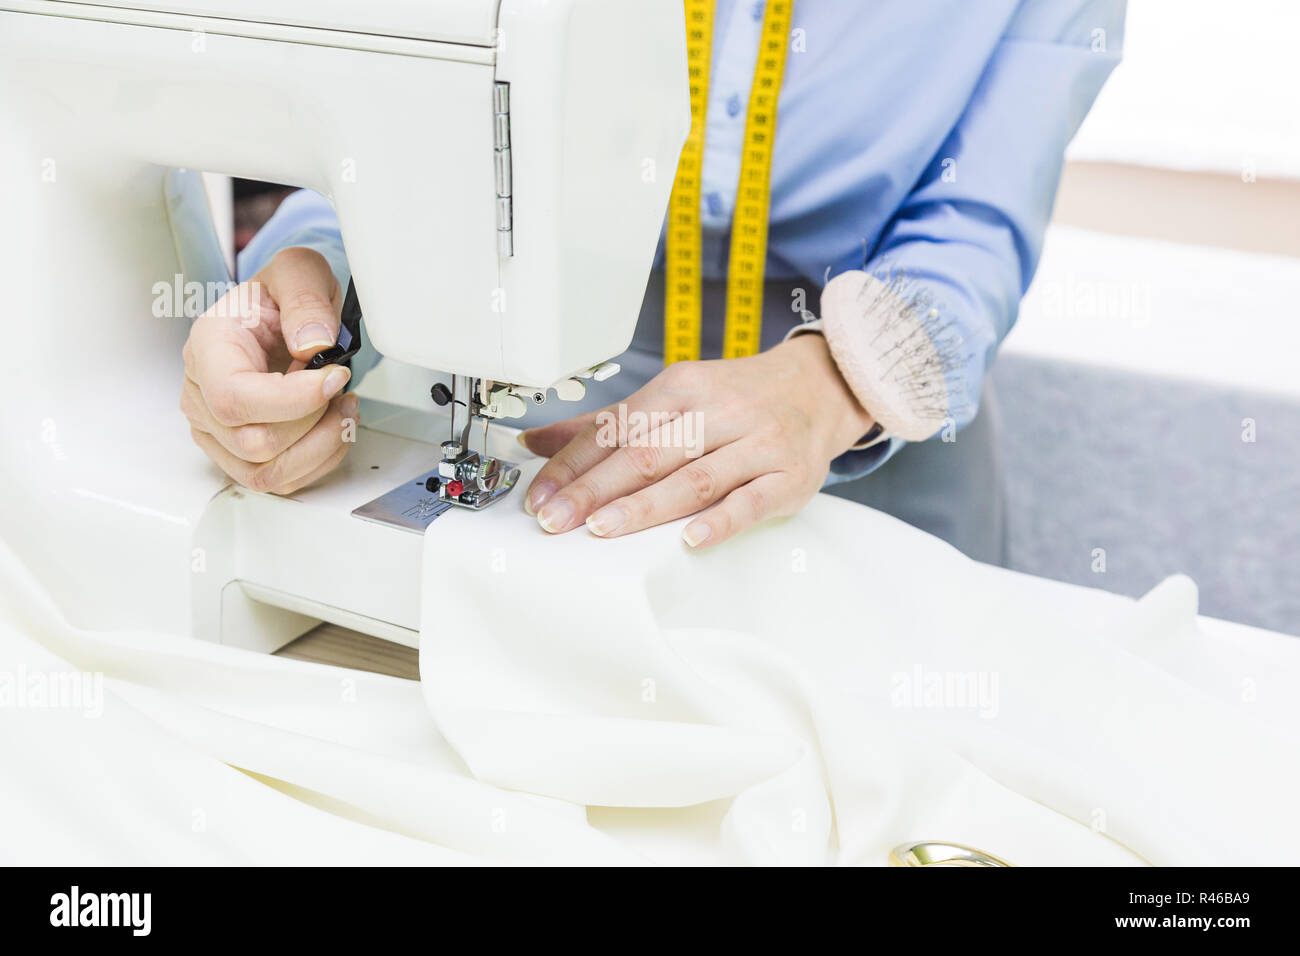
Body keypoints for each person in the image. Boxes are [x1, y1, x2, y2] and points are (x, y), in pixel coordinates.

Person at [180, 0, 1125, 562]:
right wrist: (313, 276)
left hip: (865, 450)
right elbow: (414, 96)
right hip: (551, 433)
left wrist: (837, 381)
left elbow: (976, 224)